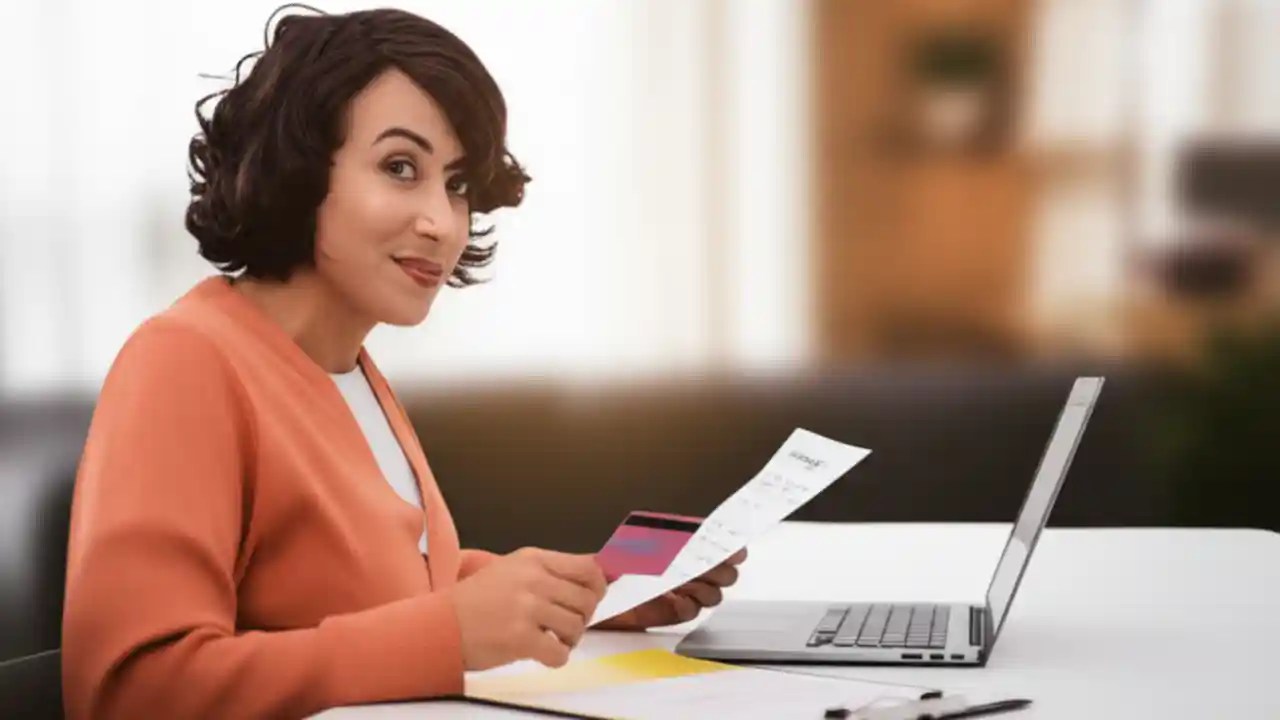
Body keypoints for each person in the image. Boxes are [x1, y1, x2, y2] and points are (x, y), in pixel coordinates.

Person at [60, 7, 745, 719]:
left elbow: (394, 590)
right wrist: (450, 632)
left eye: (455, 184)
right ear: (295, 166)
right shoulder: (184, 362)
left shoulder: (348, 367)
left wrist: (590, 595)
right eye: (399, 168)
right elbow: (130, 691)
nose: (443, 222)